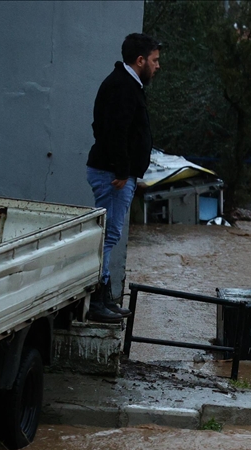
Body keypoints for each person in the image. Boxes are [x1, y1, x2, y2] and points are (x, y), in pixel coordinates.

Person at [85, 33, 160, 322]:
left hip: (115, 172)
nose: (157, 66)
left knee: (108, 233)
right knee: (108, 235)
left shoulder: (126, 84)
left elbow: (104, 126)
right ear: (140, 60)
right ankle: (97, 300)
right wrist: (121, 169)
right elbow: (114, 131)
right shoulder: (123, 86)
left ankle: (103, 297)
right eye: (154, 60)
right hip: (113, 175)